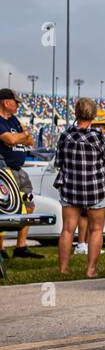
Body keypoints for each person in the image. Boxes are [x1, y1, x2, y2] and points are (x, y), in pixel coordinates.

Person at [54, 99, 105, 277]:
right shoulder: (98, 137)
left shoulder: (65, 135)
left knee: (68, 229)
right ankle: (90, 270)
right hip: (95, 188)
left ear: (76, 114)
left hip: (70, 188)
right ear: (93, 116)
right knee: (96, 229)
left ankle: (63, 269)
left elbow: (58, 162)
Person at [0, 87, 41, 258]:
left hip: (20, 171)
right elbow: (9, 140)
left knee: (29, 205)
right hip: (4, 172)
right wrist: (22, 135)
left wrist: (22, 136)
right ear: (6, 102)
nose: (18, 106)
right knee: (3, 209)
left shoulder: (13, 120)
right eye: (16, 103)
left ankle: (21, 247)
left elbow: (30, 141)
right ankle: (1, 250)